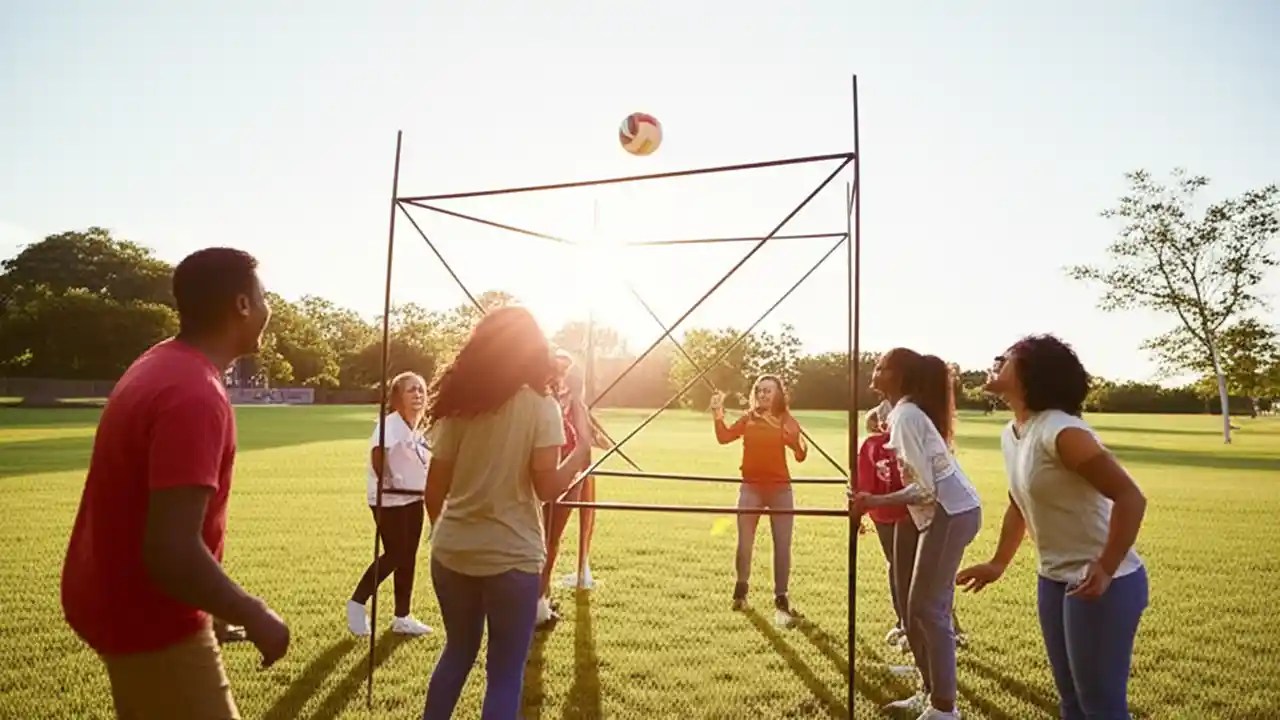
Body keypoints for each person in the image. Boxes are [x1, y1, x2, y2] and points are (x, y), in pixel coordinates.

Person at [60, 247, 289, 720]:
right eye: (263, 296)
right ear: (242, 304)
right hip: (149, 615)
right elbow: (171, 551)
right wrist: (254, 612)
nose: (269, 308)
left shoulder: (162, 362)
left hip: (117, 596)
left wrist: (213, 603)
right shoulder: (193, 394)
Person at [957, 335, 1148, 720]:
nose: (995, 362)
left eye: (1005, 358)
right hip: (1054, 579)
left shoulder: (1062, 432)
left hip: (1104, 582)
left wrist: (1106, 566)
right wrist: (998, 564)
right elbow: (1019, 504)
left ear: (1030, 372)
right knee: (1071, 702)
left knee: (1101, 707)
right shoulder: (1013, 433)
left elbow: (1131, 497)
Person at [421, 306, 590, 720]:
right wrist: (580, 455)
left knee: (456, 653)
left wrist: (444, 533)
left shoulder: (459, 406)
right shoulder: (540, 406)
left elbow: (434, 490)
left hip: (451, 552)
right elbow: (548, 488)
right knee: (505, 673)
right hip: (513, 557)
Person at [850, 348, 982, 720]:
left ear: (901, 377)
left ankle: (944, 708)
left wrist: (872, 498)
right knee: (913, 609)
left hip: (950, 512)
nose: (874, 371)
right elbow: (882, 420)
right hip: (941, 512)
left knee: (927, 608)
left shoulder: (906, 415)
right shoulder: (901, 412)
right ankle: (929, 691)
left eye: (882, 367)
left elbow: (925, 490)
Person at [711, 375, 808, 626]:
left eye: (769, 391)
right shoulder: (748, 419)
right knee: (744, 542)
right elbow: (724, 437)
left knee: (782, 545)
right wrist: (717, 412)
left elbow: (800, 455)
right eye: (760, 390)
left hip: (780, 490)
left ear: (778, 395)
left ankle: (781, 598)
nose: (764, 395)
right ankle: (741, 592)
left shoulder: (786, 419)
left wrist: (794, 440)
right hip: (751, 487)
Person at [346, 371, 433, 637]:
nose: (418, 394)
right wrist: (387, 481)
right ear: (397, 398)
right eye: (411, 390)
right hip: (391, 499)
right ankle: (357, 603)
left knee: (408, 557)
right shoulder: (390, 424)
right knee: (395, 554)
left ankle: (402, 616)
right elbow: (377, 453)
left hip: (414, 496)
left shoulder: (417, 427)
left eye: (421, 389)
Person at [536, 353, 591, 628]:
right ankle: (535, 602)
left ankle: (541, 599)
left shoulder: (574, 405)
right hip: (545, 475)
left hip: (569, 478)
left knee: (552, 540)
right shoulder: (540, 400)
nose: (562, 378)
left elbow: (585, 438)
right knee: (539, 541)